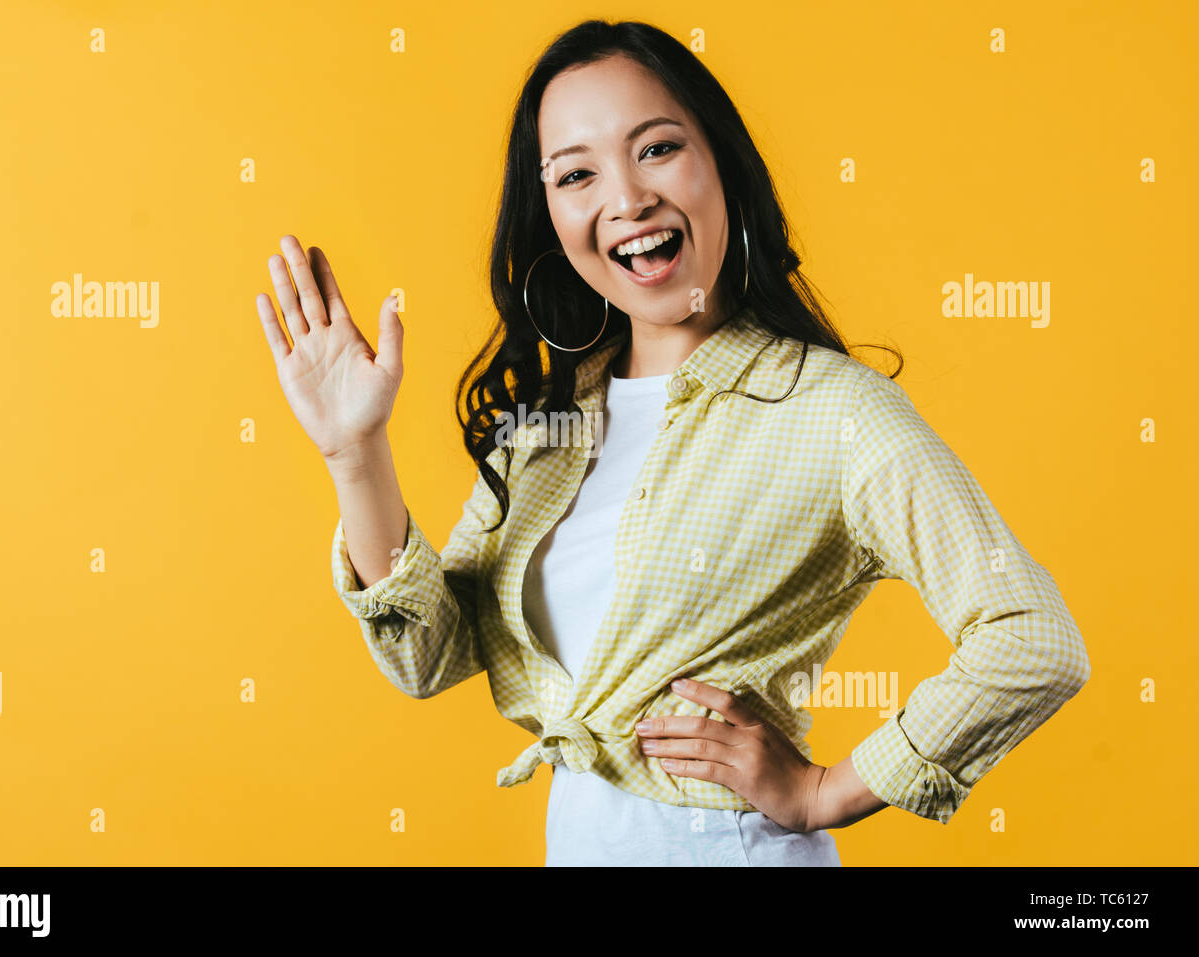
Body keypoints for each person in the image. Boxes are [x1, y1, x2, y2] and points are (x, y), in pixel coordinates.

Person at [254, 20, 1090, 867]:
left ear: (721, 161)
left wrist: (827, 790)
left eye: (655, 149)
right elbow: (430, 657)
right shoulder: (552, 424)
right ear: (551, 215)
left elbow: (1033, 638)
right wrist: (354, 453)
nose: (626, 199)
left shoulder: (832, 409)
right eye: (577, 173)